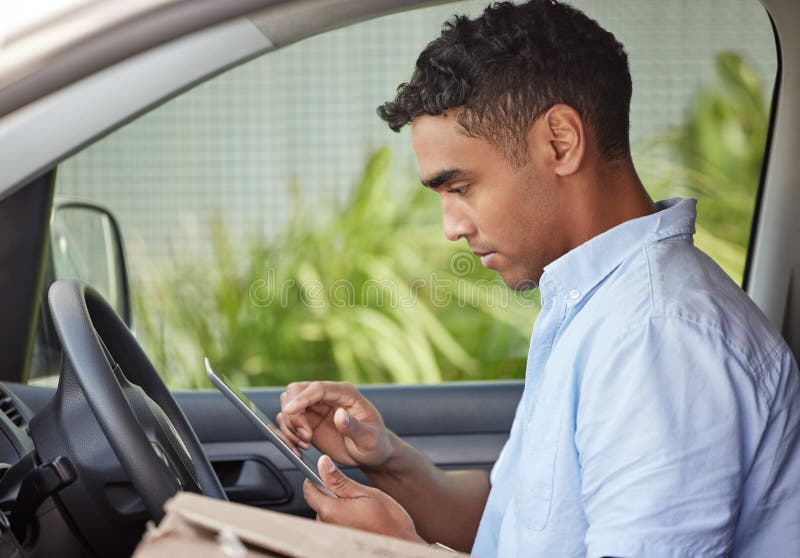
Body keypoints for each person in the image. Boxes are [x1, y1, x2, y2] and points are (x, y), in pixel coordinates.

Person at [276, 1, 800, 556]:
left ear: (561, 142)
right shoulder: (594, 305)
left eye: (460, 188)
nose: (451, 228)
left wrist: (397, 551)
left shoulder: (657, 335)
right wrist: (386, 460)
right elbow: (513, 531)